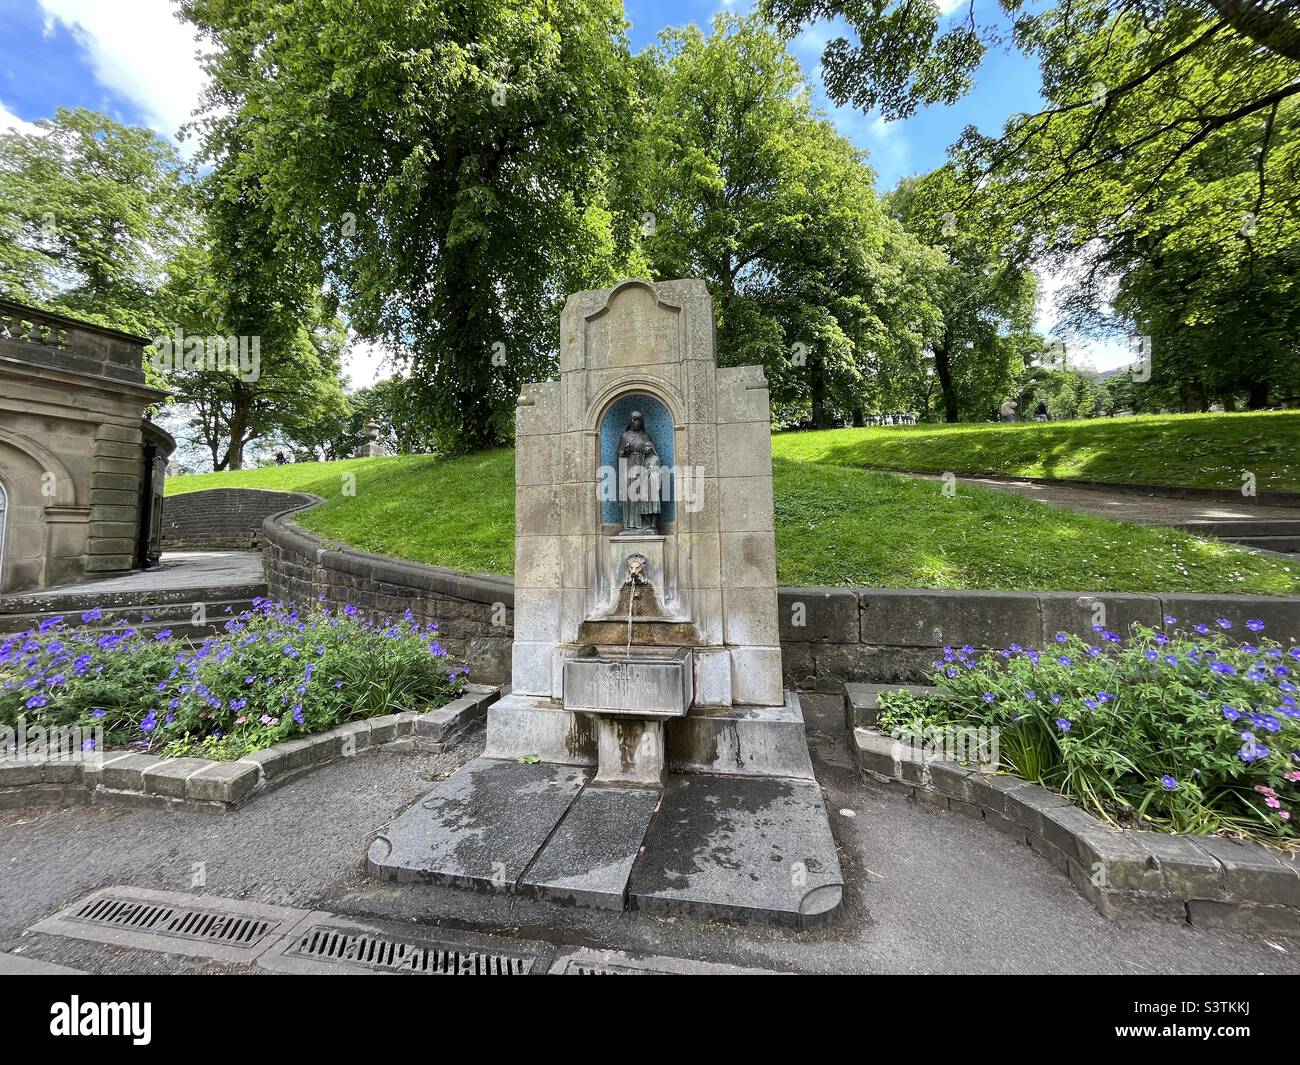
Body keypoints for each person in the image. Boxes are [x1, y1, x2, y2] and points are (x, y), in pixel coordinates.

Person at [617, 411, 662, 531]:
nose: (636, 422)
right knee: (630, 494)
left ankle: (645, 524)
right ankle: (629, 525)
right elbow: (619, 454)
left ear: (641, 422)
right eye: (634, 420)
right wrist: (625, 450)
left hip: (643, 465)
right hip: (629, 466)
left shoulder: (645, 436)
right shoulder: (625, 436)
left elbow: (650, 451)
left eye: (638, 420)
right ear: (630, 421)